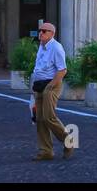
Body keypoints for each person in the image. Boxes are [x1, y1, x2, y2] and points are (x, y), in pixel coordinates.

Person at [30, 22, 71, 161]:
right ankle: (46, 151)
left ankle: (68, 141)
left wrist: (50, 86)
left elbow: (62, 70)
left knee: (49, 117)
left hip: (51, 85)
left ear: (52, 34)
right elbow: (39, 67)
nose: (41, 33)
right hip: (39, 85)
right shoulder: (41, 46)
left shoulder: (56, 47)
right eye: (40, 31)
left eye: (44, 31)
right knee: (40, 119)